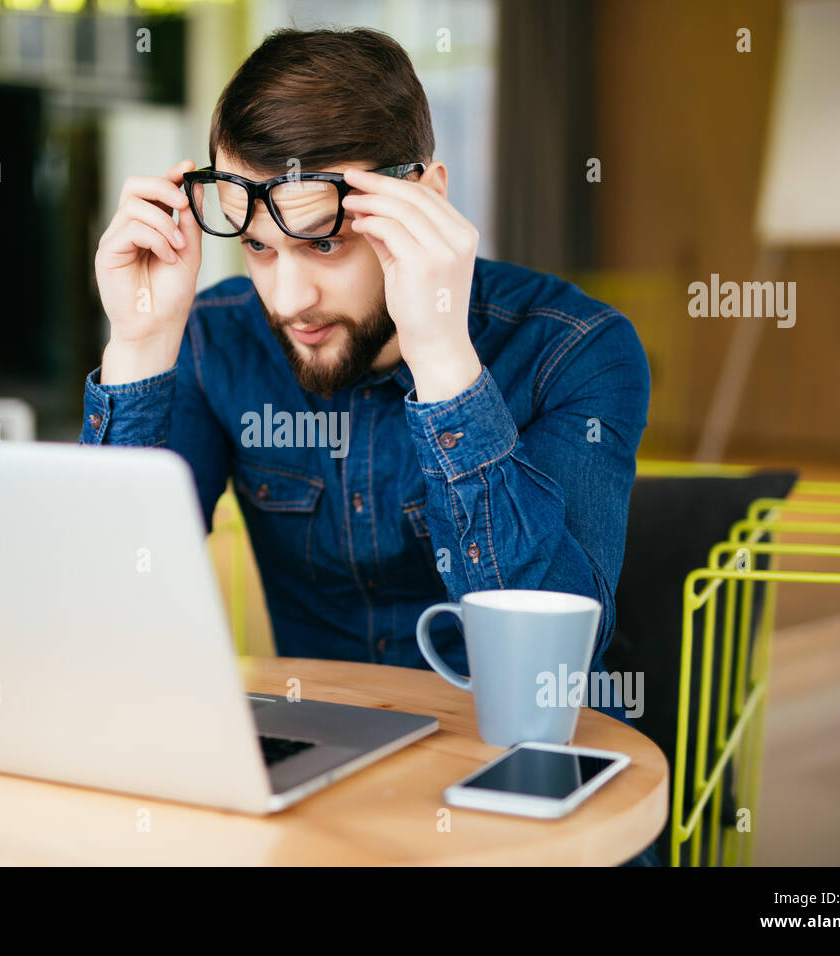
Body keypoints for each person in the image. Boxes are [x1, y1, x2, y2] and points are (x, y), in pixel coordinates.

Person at [82, 27, 655, 865]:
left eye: (325, 242)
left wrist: (445, 361)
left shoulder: (578, 349)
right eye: (260, 249)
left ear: (426, 197)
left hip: (528, 796)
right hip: (320, 797)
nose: (288, 298)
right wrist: (136, 347)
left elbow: (543, 688)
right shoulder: (218, 343)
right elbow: (104, 623)